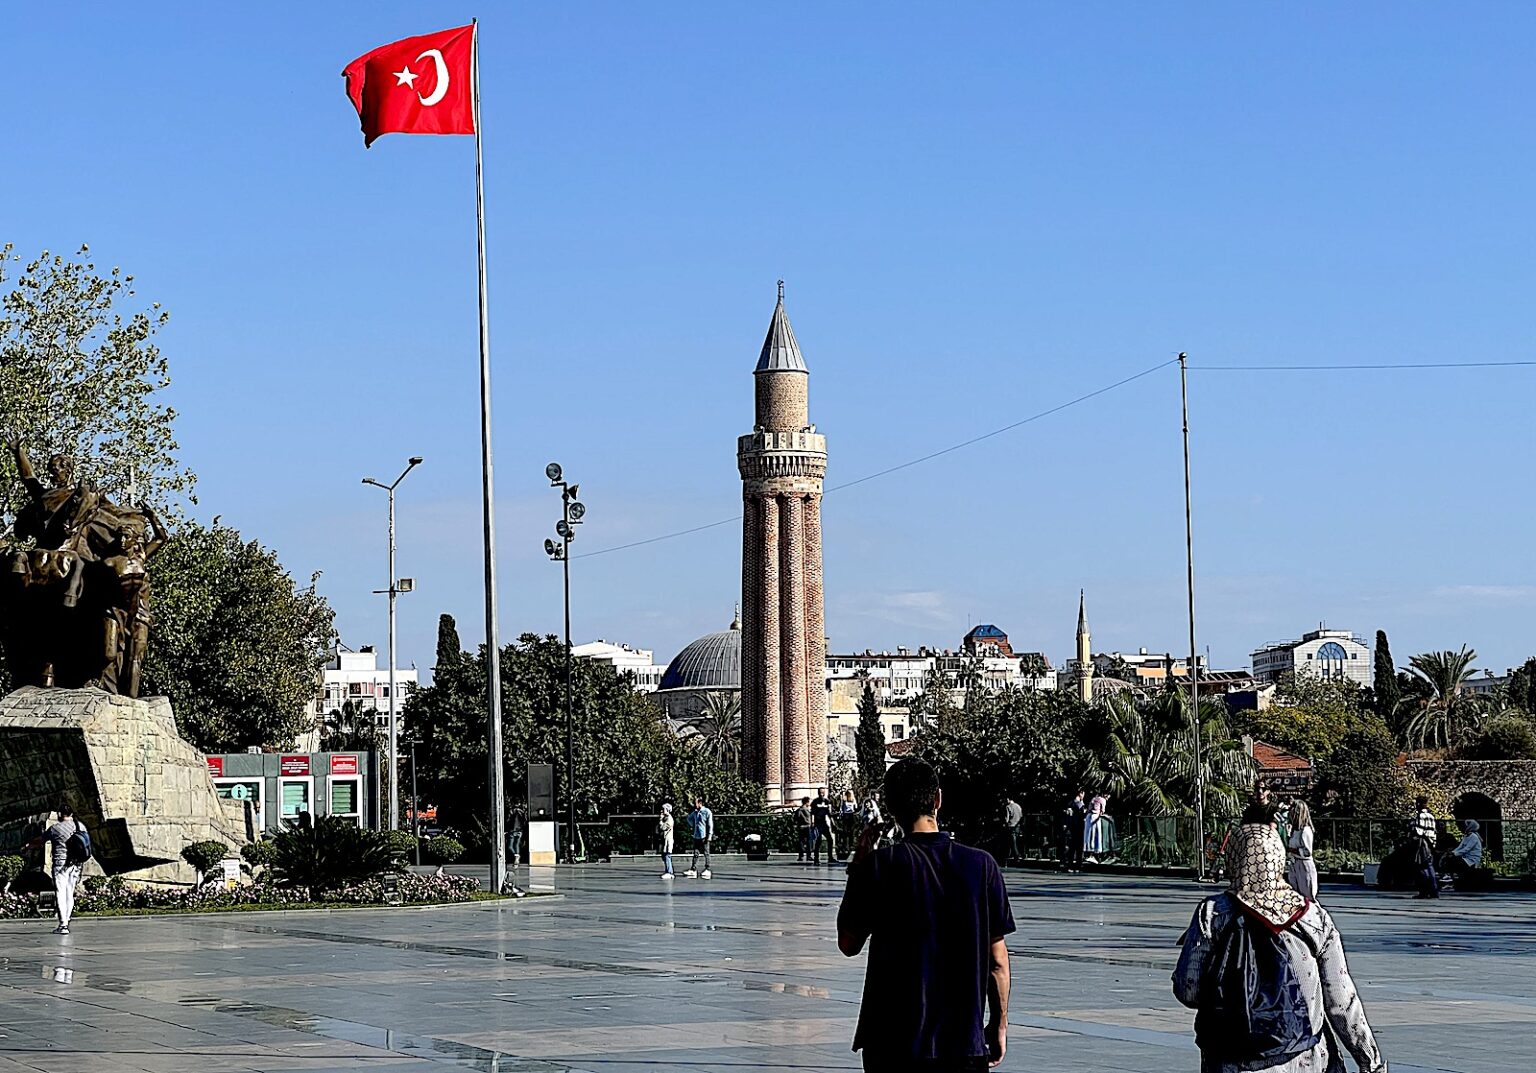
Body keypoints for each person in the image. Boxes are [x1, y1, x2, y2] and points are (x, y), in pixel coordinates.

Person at [837, 758, 1014, 1071]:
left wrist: (859, 863)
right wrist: (999, 1025)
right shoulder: (982, 866)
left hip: (892, 1043)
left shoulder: (878, 867)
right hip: (963, 1042)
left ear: (891, 808)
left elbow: (849, 943)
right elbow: (997, 960)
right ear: (938, 799)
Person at [1174, 823, 1386, 1073]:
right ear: (1278, 858)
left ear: (1233, 858)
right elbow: (1341, 1002)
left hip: (1231, 1061)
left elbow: (1188, 992)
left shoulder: (1212, 914)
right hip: (1306, 1059)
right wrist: (1369, 1061)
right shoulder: (1312, 917)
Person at [39, 805, 84, 935]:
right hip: (76, 864)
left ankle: (63, 925)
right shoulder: (80, 826)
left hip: (60, 863)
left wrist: (28, 846)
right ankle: (66, 920)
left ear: (59, 814)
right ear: (71, 814)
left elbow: (41, 840)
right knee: (69, 892)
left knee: (60, 892)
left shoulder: (55, 828)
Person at [1286, 800, 1318, 900]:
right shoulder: (1295, 830)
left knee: (1308, 897)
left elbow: (1307, 852)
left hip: (1304, 866)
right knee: (1295, 896)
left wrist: (1291, 850)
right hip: (1294, 863)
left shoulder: (1306, 830)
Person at [1438, 819, 1483, 887]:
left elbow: (1466, 849)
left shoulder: (1474, 837)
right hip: (1465, 857)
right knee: (1448, 858)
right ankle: (1448, 877)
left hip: (1471, 860)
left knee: (1453, 860)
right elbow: (1460, 847)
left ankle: (1450, 879)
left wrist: (1454, 854)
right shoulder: (1466, 836)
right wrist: (1451, 853)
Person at [1412, 796, 1439, 899]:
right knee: (1429, 865)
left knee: (1421, 866)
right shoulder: (1431, 816)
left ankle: (1424, 890)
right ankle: (1434, 890)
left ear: (1419, 804)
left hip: (1422, 843)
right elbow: (1433, 832)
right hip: (1431, 842)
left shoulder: (1420, 816)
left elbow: (1419, 831)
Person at [685, 795, 713, 879]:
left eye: (696, 803)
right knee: (696, 853)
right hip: (696, 835)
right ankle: (693, 869)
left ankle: (707, 869)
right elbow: (689, 819)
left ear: (700, 803)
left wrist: (709, 835)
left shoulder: (707, 812)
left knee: (706, 852)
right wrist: (693, 825)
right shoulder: (695, 812)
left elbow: (710, 824)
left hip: (704, 835)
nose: (694, 804)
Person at [1062, 790, 1086, 873]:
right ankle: (1075, 865)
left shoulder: (1071, 803)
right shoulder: (1077, 804)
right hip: (1077, 827)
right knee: (1076, 848)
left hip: (1074, 827)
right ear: (1080, 793)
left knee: (1073, 848)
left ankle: (1072, 865)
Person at [1084, 793, 1114, 859]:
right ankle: (1094, 854)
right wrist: (1108, 817)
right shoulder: (1103, 800)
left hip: (1089, 817)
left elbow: (1089, 809)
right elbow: (1101, 812)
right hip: (1096, 817)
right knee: (1096, 836)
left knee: (1089, 836)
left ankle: (1089, 853)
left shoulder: (1094, 799)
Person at [812, 787, 836, 864]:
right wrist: (812, 823)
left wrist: (833, 823)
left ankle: (830, 857)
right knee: (818, 841)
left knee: (830, 839)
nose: (822, 793)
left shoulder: (827, 801)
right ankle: (816, 859)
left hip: (824, 823)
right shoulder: (815, 801)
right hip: (817, 823)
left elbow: (829, 813)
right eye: (820, 792)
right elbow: (812, 813)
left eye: (823, 792)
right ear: (818, 793)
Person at [795, 796, 816, 863]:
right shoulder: (806, 810)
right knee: (809, 841)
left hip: (801, 827)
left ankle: (801, 855)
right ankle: (808, 855)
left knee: (801, 841)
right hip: (807, 826)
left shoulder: (799, 810)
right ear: (806, 802)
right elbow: (809, 818)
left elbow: (796, 818)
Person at [658, 803, 675, 880]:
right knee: (664, 855)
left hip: (668, 840)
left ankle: (670, 872)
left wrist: (661, 820)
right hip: (665, 840)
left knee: (667, 856)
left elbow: (663, 827)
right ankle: (667, 870)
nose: (662, 811)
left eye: (663, 809)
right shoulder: (666, 818)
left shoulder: (669, 819)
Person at [1003, 798, 1022, 865]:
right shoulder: (1018, 806)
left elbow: (1007, 819)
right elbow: (1021, 815)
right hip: (1017, 825)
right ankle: (1012, 855)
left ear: (1008, 800)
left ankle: (1016, 857)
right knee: (1014, 841)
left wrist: (1005, 822)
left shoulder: (1008, 807)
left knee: (1012, 842)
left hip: (1011, 826)